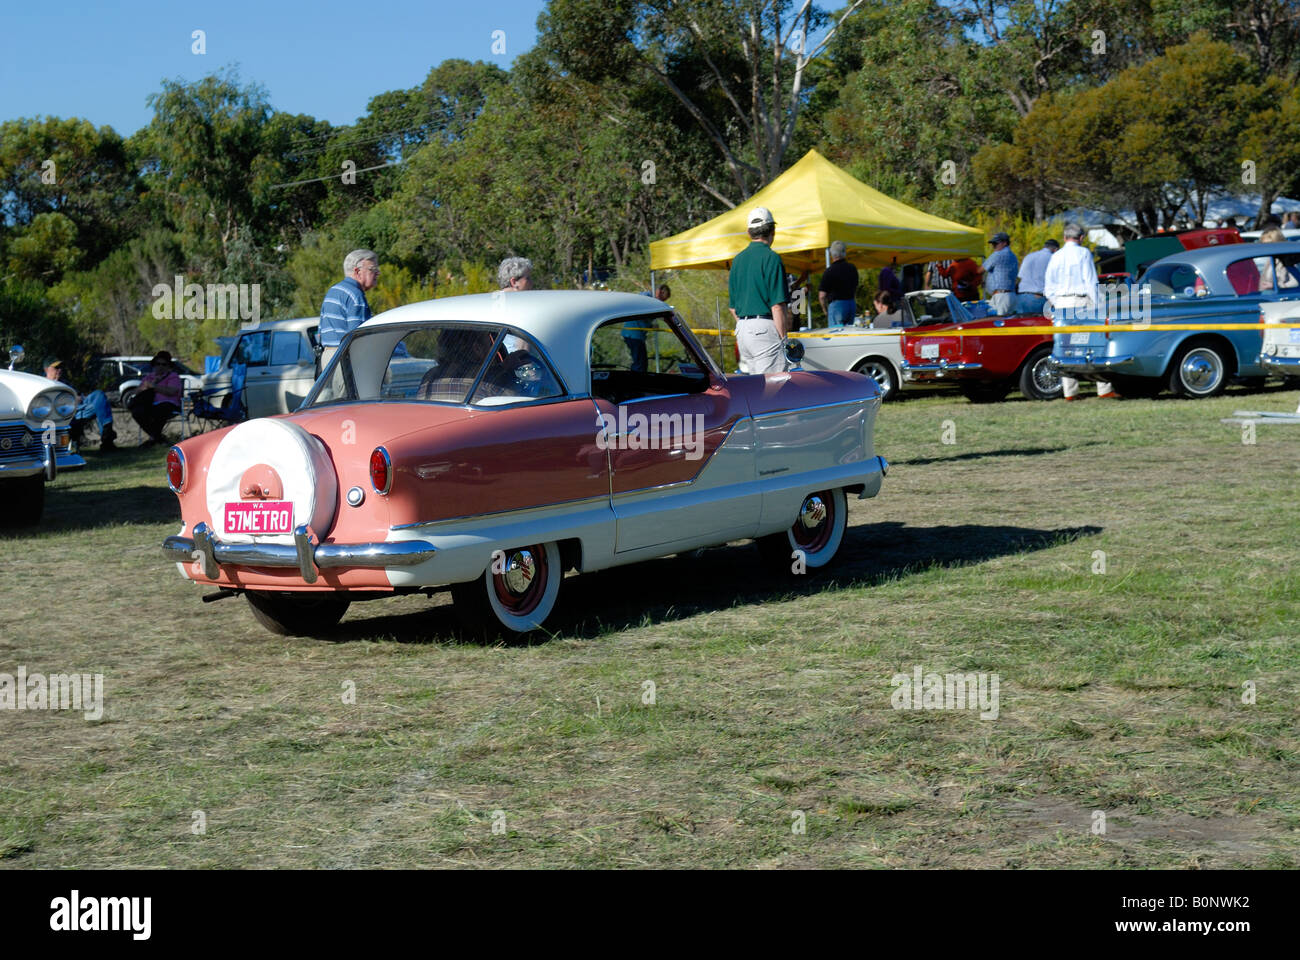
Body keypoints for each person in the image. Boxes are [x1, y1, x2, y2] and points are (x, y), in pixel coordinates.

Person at [1045, 222, 1117, 400]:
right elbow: (1091, 281)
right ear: (1082, 238)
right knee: (1094, 343)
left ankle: (1070, 391)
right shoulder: (1083, 253)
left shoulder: (1056, 256)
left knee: (1065, 346)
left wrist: (1057, 301)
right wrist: (1099, 305)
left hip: (1061, 303)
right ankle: (1103, 388)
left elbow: (1048, 286)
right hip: (1081, 300)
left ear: (1064, 237)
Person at [727, 207, 791, 374]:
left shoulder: (737, 260)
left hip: (742, 328)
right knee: (772, 388)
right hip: (764, 327)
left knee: (755, 389)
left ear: (749, 232)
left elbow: (732, 308)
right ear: (773, 231)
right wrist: (783, 338)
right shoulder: (772, 258)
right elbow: (777, 306)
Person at [319, 249, 379, 374]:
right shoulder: (355, 295)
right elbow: (357, 338)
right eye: (372, 269)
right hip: (345, 360)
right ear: (357, 271)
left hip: (327, 359)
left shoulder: (333, 291)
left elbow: (320, 333)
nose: (377, 273)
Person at [45, 358, 116, 451]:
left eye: (61, 367)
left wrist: (78, 397)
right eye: (56, 368)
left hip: (78, 409)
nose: (59, 370)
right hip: (63, 414)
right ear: (46, 369)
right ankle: (107, 437)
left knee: (99, 396)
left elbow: (78, 395)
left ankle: (107, 435)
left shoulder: (65, 382)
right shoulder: (44, 384)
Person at [129, 350, 185, 443]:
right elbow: (135, 391)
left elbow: (172, 391)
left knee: (161, 409)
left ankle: (154, 438)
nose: (160, 366)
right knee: (137, 412)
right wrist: (146, 386)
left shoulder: (173, 376)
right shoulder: (149, 377)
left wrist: (154, 387)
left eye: (164, 364)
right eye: (158, 364)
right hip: (149, 404)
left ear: (168, 366)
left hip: (168, 404)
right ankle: (157, 438)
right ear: (154, 365)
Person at [624, 284, 675, 373]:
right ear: (659, 292)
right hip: (633, 334)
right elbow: (640, 312)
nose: (661, 301)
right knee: (640, 364)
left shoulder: (651, 301)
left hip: (637, 335)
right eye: (662, 299)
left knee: (641, 362)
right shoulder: (645, 297)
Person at [818, 241, 859, 326]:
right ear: (844, 252)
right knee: (848, 335)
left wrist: (825, 310)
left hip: (837, 306)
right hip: (851, 303)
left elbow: (822, 296)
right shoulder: (852, 268)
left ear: (832, 254)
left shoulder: (829, 271)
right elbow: (855, 287)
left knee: (836, 335)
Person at [1016, 238, 1058, 315]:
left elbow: (1020, 276)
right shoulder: (1053, 258)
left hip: (1021, 297)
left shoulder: (1029, 256)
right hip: (1038, 297)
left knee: (1022, 325)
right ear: (1055, 250)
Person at [983, 231, 1019, 316]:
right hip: (1010, 295)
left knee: (998, 323)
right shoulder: (1013, 256)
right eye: (993, 244)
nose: (994, 246)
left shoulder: (998, 254)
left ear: (1004, 243)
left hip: (1001, 296)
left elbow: (980, 270)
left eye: (996, 243)